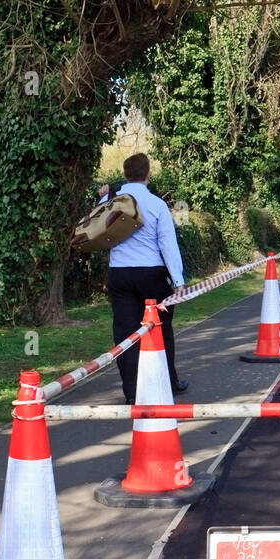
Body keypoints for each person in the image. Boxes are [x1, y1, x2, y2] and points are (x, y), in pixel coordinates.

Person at [97, 153, 188, 404]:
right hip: (151, 274)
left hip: (120, 273)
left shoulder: (111, 202)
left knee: (126, 334)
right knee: (161, 329)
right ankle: (168, 383)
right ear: (148, 174)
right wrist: (178, 281)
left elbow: (96, 229)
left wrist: (103, 196)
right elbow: (167, 244)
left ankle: (131, 393)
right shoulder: (157, 204)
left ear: (125, 175)